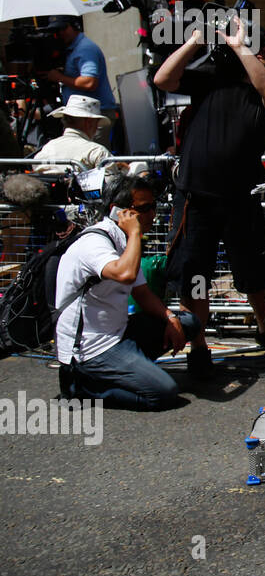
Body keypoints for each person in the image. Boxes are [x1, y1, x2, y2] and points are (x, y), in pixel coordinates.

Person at [154, 20, 265, 377]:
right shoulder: (215, 77)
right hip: (195, 197)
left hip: (239, 198)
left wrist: (241, 47)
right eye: (259, 42)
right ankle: (198, 345)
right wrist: (195, 42)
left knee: (254, 272)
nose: (263, 48)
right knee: (196, 274)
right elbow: (163, 80)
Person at [55, 173, 198, 409]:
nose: (152, 215)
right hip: (91, 348)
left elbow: (141, 292)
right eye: (144, 208)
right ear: (117, 211)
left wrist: (171, 318)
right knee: (164, 393)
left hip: (118, 332)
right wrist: (134, 233)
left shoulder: (123, 240)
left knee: (188, 323)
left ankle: (130, 369)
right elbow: (126, 274)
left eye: (154, 207)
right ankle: (84, 387)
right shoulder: (94, 242)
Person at [40, 16, 121, 151]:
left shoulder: (85, 48)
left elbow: (90, 82)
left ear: (74, 26)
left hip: (93, 117)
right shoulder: (71, 49)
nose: (60, 33)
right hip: (79, 116)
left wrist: (59, 77)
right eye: (56, 30)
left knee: (94, 160)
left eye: (63, 28)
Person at [31, 95, 111, 174]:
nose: (97, 128)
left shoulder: (47, 148)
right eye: (97, 123)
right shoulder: (97, 151)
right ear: (89, 123)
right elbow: (112, 183)